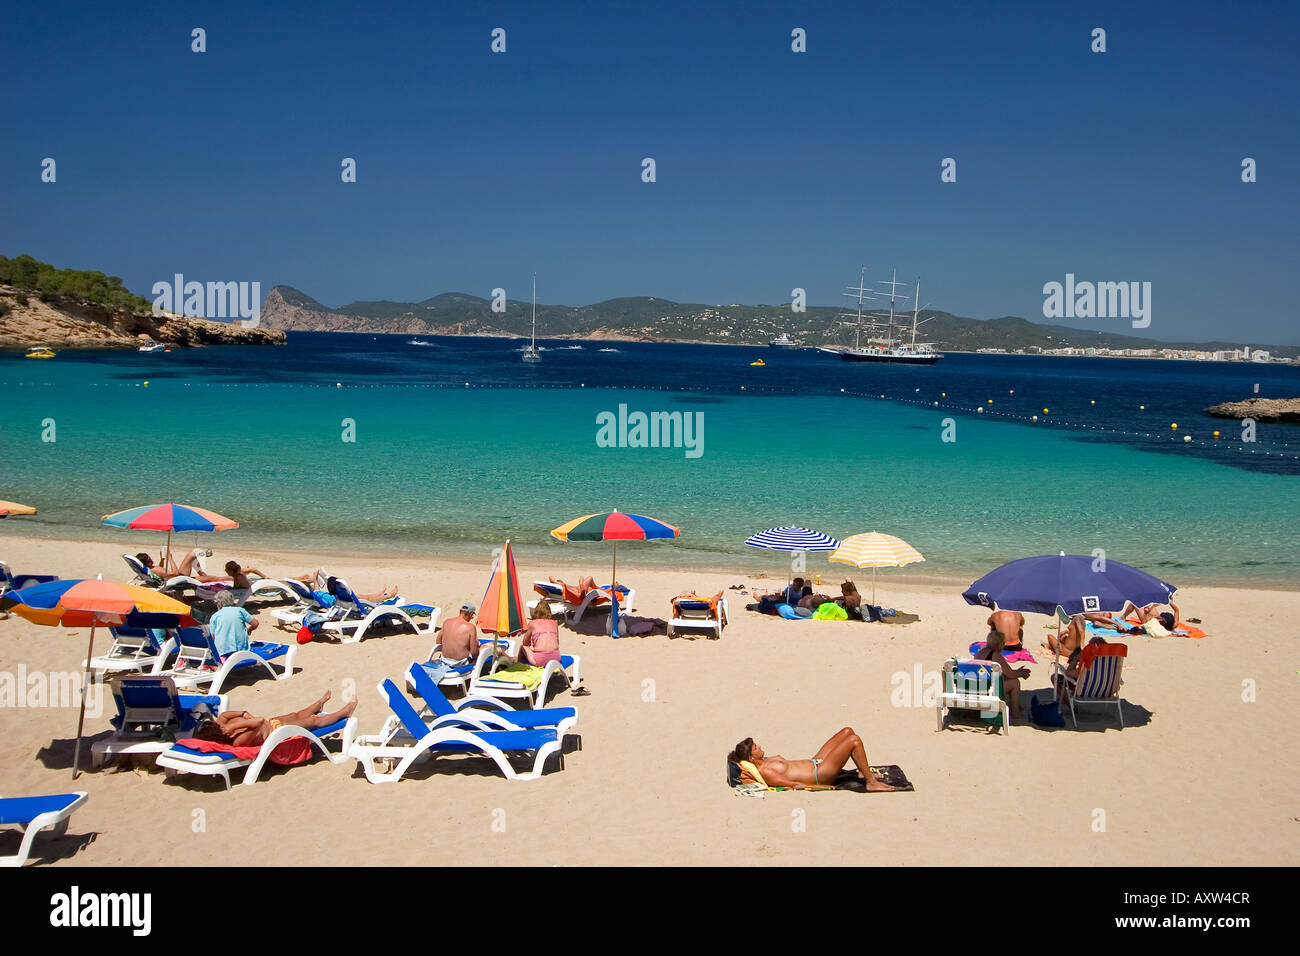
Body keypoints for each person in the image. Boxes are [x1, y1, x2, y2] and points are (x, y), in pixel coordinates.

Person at [726, 729, 893, 792]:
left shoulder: (764, 760)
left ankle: (864, 773)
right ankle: (871, 782)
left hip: (816, 761)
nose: (760, 746)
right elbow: (793, 783)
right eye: (756, 748)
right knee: (854, 741)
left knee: (847, 731)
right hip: (820, 773)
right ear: (751, 758)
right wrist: (825, 787)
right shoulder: (766, 771)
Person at [192, 690, 356, 751]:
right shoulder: (236, 741)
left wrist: (243, 714)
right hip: (276, 732)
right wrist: (238, 724)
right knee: (314, 722)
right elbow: (257, 722)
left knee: (295, 714)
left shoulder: (222, 725)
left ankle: (318, 704)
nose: (219, 725)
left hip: (271, 723)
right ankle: (344, 712)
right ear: (218, 734)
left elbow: (225, 715)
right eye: (217, 728)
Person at [974, 629, 1031, 719]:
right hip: (988, 689)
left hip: (979, 685)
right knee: (1015, 683)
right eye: (1003, 643)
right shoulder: (995, 655)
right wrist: (1021, 673)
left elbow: (1006, 672)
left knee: (1005, 678)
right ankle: (1015, 713)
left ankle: (1015, 707)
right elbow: (1011, 674)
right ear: (999, 644)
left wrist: (1017, 672)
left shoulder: (980, 652)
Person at [498, 601, 562, 667]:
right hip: (556, 658)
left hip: (540, 660)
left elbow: (525, 643)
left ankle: (517, 663)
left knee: (523, 647)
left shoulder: (532, 623)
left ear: (536, 612)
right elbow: (557, 641)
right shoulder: (555, 623)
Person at [208, 589, 258, 657]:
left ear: (218, 603)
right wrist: (249, 629)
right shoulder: (239, 611)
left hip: (222, 651)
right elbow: (255, 623)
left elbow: (212, 637)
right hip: (241, 649)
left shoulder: (215, 616)